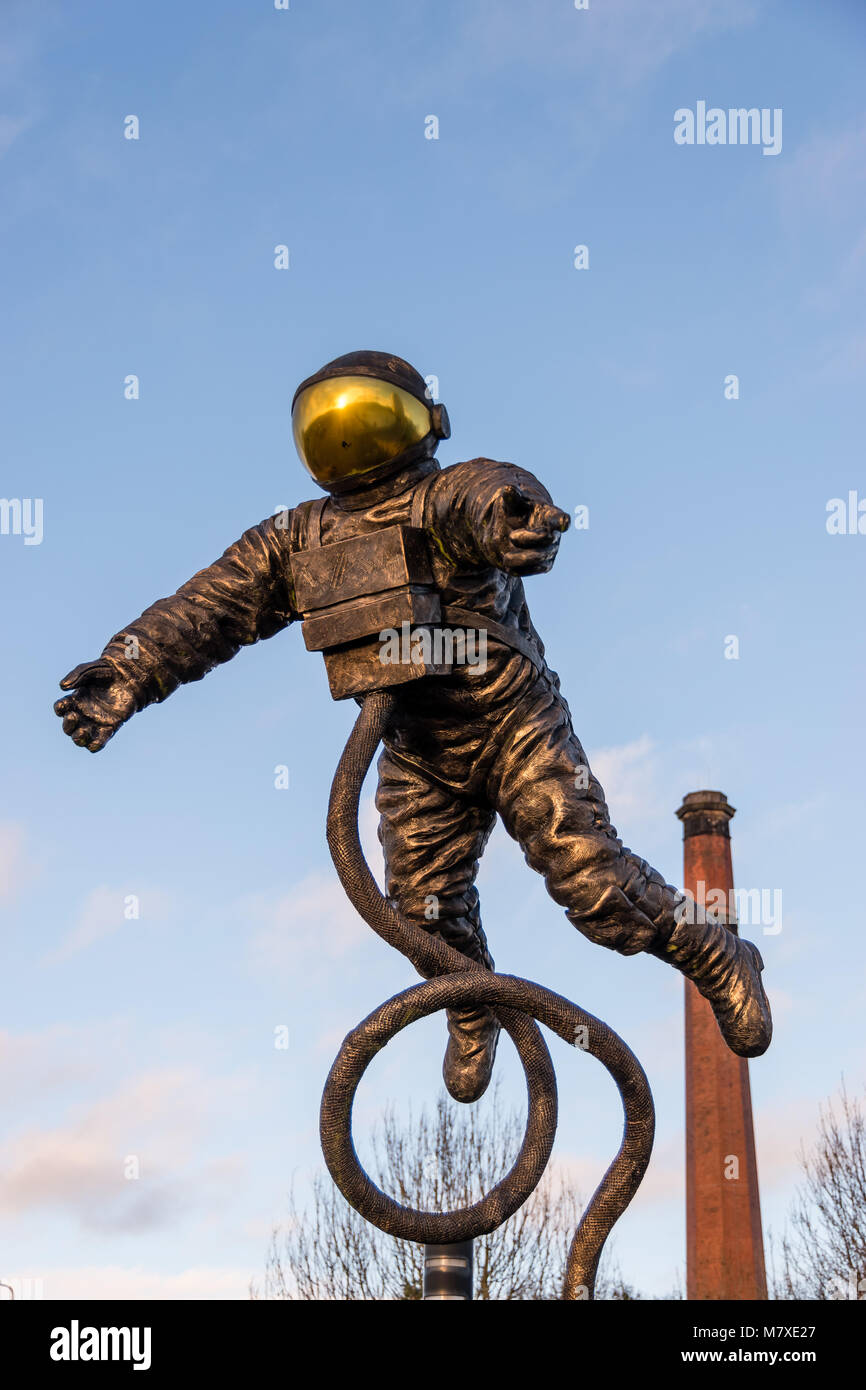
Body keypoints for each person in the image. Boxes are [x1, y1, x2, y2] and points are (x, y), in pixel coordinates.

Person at [55, 350, 772, 1102]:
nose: (344, 430)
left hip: (513, 726)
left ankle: (716, 953)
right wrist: (126, 673)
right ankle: (471, 1003)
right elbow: (208, 609)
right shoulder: (294, 539)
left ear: (422, 423)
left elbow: (491, 494)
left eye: (364, 408)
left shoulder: (443, 495)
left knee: (593, 887)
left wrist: (518, 515)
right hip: (417, 751)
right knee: (423, 912)